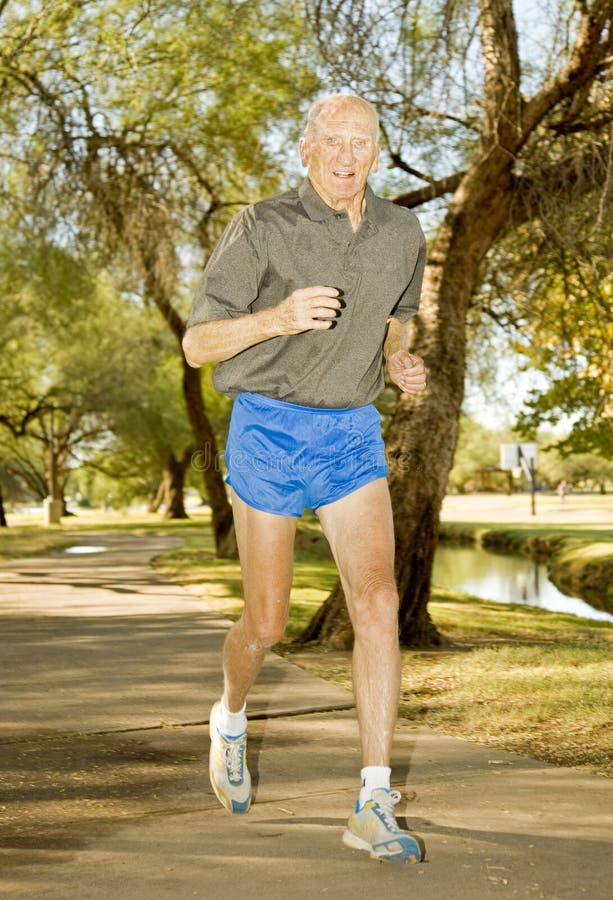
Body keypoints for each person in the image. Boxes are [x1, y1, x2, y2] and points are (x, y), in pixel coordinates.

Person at [183, 93, 427, 864]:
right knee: (265, 624)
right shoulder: (262, 225)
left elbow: (401, 313)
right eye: (334, 140)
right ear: (305, 150)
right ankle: (228, 718)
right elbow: (196, 345)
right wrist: (277, 318)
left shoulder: (401, 230)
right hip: (267, 426)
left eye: (362, 141)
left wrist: (395, 357)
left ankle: (373, 799)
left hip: (350, 430)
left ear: (375, 152)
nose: (348, 154)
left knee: (378, 598)